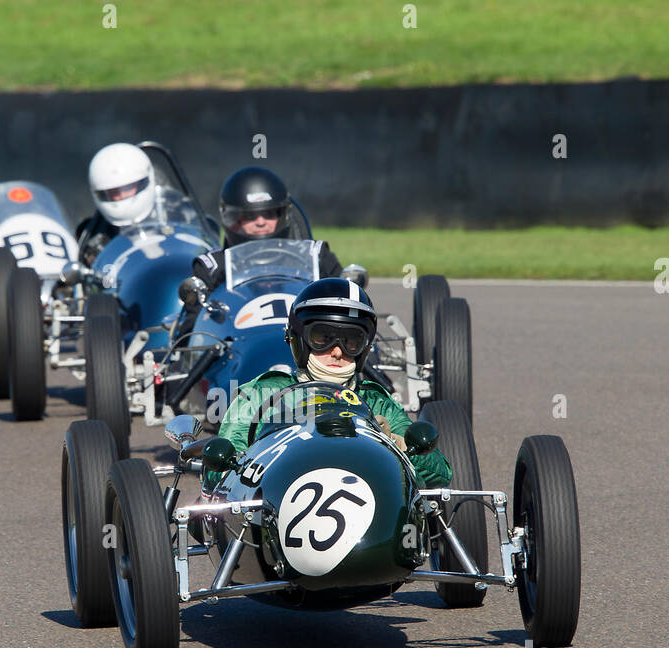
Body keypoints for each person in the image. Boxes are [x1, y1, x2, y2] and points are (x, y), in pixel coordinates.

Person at [209, 277, 451, 487]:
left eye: (351, 341)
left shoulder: (376, 401)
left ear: (364, 347)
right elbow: (216, 473)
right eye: (322, 337)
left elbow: (441, 474)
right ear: (298, 339)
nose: (337, 351)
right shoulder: (261, 394)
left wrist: (399, 445)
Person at [189, 166, 341, 294]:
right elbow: (193, 326)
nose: (261, 222)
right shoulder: (212, 268)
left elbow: (347, 306)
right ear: (231, 218)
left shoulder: (315, 257)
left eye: (269, 214)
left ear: (283, 215)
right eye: (249, 216)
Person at [74, 142, 157, 265]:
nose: (121, 196)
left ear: (143, 182)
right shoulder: (92, 235)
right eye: (112, 193)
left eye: (128, 188)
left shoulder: (177, 214)